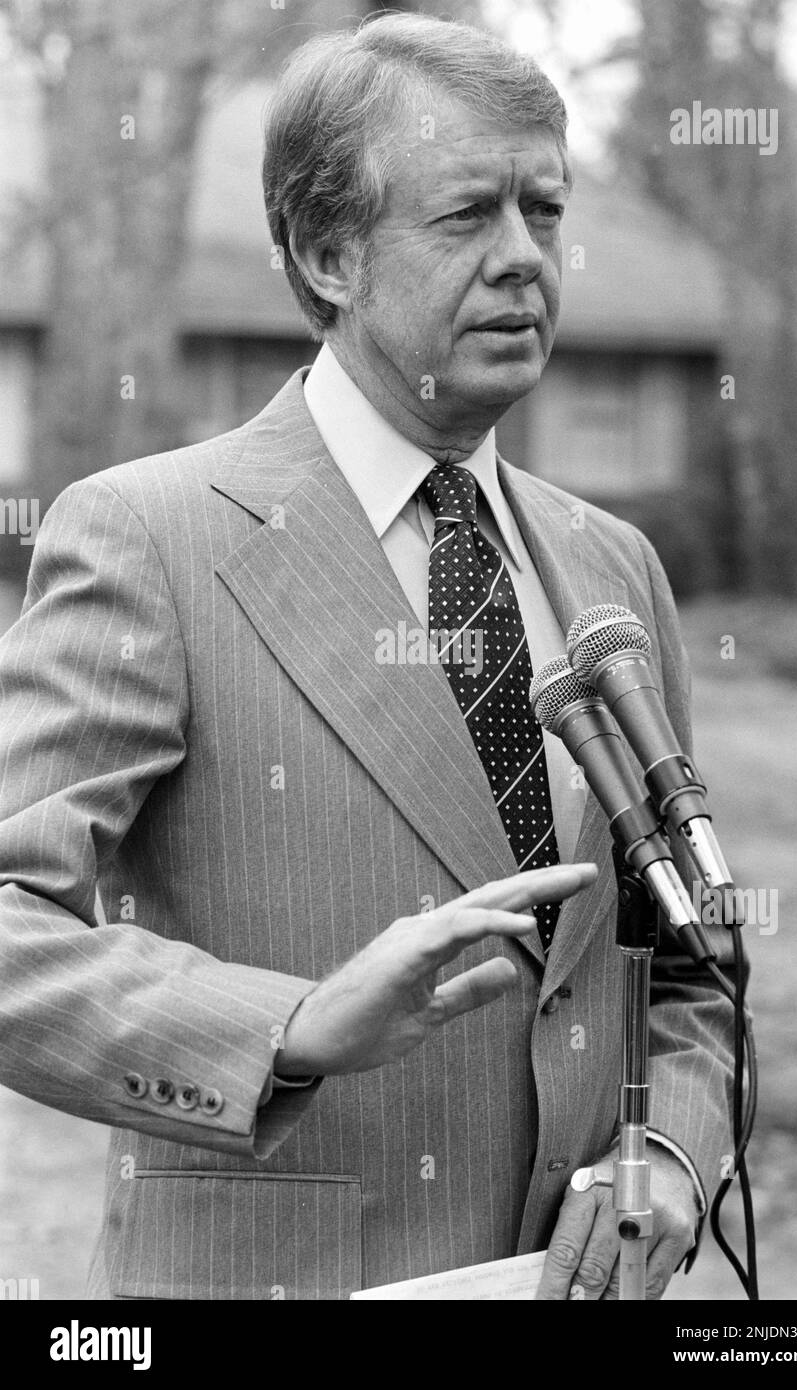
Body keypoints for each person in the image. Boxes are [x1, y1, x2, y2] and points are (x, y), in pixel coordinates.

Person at [0, 13, 734, 1300]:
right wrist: (288, 1029)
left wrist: (670, 1142)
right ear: (330, 254)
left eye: (545, 212)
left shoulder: (612, 566)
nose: (525, 261)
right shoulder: (150, 538)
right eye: (466, 218)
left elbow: (690, 959)